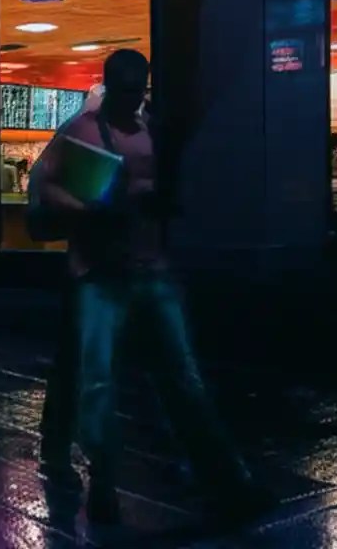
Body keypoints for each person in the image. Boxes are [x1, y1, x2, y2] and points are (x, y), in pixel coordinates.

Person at [31, 49, 265, 527]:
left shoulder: (152, 133)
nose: (132, 101)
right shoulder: (81, 131)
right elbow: (45, 184)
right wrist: (89, 211)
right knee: (99, 381)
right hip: (99, 274)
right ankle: (105, 483)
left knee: (182, 378)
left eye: (138, 93)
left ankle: (227, 479)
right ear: (110, 88)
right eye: (125, 93)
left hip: (149, 269)